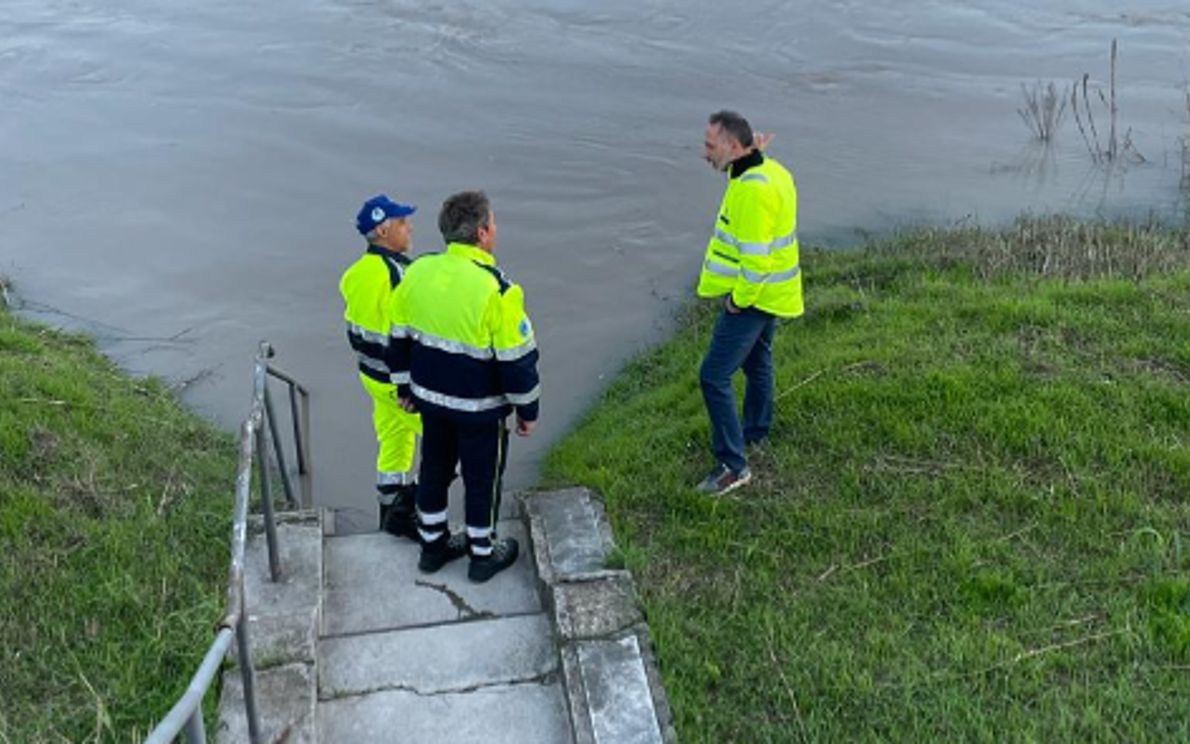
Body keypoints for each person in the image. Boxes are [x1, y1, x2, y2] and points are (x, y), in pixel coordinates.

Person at [389, 190, 540, 583]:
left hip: (429, 401)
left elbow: (398, 338)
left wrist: (404, 390)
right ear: (484, 232)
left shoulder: (416, 272)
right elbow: (517, 360)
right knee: (482, 479)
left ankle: (433, 547)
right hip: (480, 410)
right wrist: (528, 411)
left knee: (434, 468)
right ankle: (482, 554)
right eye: (494, 224)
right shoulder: (499, 289)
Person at [694, 110, 802, 495]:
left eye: (710, 145)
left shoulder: (752, 192)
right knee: (758, 364)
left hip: (754, 296)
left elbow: (757, 259)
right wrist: (754, 148)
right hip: (774, 292)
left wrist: (739, 301)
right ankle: (755, 431)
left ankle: (732, 466)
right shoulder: (769, 171)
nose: (704, 153)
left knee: (713, 375)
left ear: (734, 147)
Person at [338, 194, 424, 538]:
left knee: (394, 441)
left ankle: (388, 510)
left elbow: (357, 333)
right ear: (385, 229)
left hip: (372, 379)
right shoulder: (402, 274)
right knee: (450, 444)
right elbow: (414, 333)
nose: (410, 227)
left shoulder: (354, 275)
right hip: (402, 383)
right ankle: (408, 512)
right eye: (403, 222)